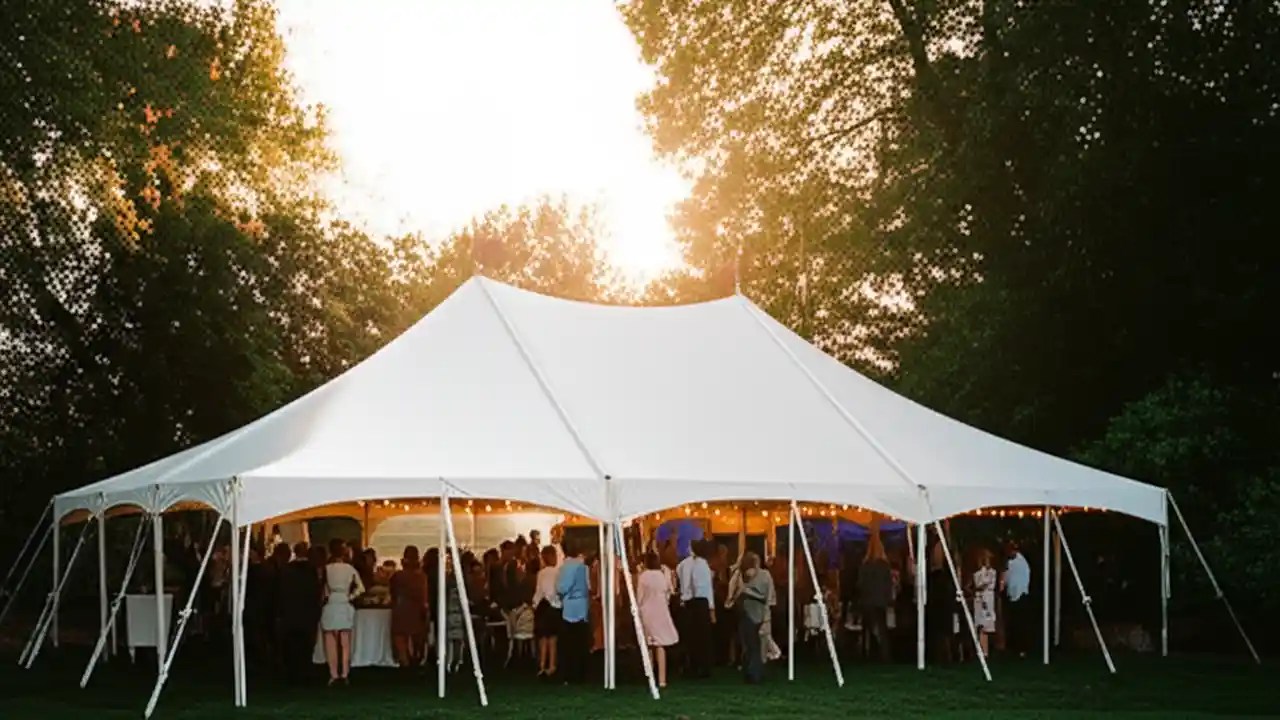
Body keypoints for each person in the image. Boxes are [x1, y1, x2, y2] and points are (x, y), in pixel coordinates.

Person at [276, 542, 323, 684]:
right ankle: (305, 671)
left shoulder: (285, 570)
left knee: (291, 644)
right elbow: (316, 592)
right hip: (308, 613)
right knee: (306, 644)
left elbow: (280, 592)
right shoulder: (312, 571)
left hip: (290, 612)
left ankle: (292, 672)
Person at [321, 538, 365, 685]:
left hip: (331, 603)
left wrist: (327, 596)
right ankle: (345, 672)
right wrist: (350, 596)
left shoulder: (326, 569)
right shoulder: (349, 569)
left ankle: (333, 673)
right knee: (345, 642)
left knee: (330, 640)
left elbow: (323, 589)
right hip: (344, 602)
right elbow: (361, 588)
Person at [636, 551, 679, 688]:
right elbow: (669, 593)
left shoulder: (643, 577)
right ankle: (662, 679)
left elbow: (639, 597)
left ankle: (650, 676)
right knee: (660, 645)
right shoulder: (662, 576)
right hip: (661, 611)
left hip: (647, 612)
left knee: (649, 644)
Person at [556, 539, 590, 684]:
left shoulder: (566, 567)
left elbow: (561, 587)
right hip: (582, 605)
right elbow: (588, 586)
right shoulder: (583, 566)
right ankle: (581, 674)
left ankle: (568, 675)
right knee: (581, 642)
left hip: (570, 606)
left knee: (568, 643)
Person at [680, 540, 715, 678]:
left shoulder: (685, 564)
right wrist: (712, 609)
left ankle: (695, 666)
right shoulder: (702, 564)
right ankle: (703, 667)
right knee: (703, 637)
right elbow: (707, 589)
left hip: (690, 602)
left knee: (693, 636)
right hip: (700, 602)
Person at [736, 552, 773, 684]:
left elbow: (768, 597)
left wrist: (747, 591)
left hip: (759, 614)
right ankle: (749, 672)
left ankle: (755, 674)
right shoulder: (742, 576)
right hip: (747, 613)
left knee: (757, 646)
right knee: (749, 645)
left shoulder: (765, 576)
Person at [391, 545, 429, 668]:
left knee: (400, 635)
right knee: (416, 634)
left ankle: (404, 659)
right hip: (417, 608)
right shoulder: (422, 577)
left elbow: (393, 592)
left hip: (401, 607)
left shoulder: (398, 576)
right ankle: (415, 657)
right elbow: (424, 594)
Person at [859, 532, 893, 662]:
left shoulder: (865, 566)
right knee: (881, 628)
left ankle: (868, 653)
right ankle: (883, 653)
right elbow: (888, 584)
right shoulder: (884, 566)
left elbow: (860, 584)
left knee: (868, 628)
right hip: (880, 601)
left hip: (868, 601)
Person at [531, 545, 560, 677]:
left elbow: (538, 592)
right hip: (554, 607)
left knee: (543, 638)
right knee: (553, 638)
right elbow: (558, 590)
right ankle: (552, 665)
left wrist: (535, 605)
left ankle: (542, 665)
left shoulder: (541, 573)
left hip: (543, 607)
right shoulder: (558, 572)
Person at [1002, 540, 1031, 657]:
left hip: (1021, 595)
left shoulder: (1021, 563)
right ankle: (1015, 647)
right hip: (1013, 595)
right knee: (1014, 623)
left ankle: (1022, 648)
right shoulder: (1010, 563)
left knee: (1021, 623)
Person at [972, 548, 998, 658]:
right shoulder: (977, 573)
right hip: (979, 599)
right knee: (980, 625)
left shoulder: (993, 572)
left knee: (986, 626)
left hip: (988, 598)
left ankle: (985, 651)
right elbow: (978, 584)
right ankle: (981, 650)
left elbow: (987, 583)